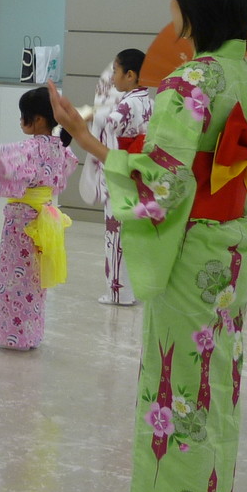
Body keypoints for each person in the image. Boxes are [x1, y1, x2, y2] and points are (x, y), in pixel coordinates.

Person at [49, 0, 247, 492]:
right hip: (229, 248)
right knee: (216, 384)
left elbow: (163, 185)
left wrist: (88, 139)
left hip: (191, 246)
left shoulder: (194, 82)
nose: (171, 10)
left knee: (180, 389)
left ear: (193, 6)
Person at [0, 87, 78, 350]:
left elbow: (14, 158)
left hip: (22, 221)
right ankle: (31, 334)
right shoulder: (58, 148)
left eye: (24, 116)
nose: (21, 122)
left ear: (38, 120)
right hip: (45, 217)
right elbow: (67, 165)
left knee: (14, 279)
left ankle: (14, 336)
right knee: (35, 280)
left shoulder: (32, 147)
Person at [92, 48, 153, 306]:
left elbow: (109, 124)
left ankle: (118, 292)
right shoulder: (150, 101)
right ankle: (136, 289)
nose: (114, 77)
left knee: (116, 235)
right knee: (136, 235)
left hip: (121, 174)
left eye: (116, 71)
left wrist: (97, 114)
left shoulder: (128, 103)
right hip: (141, 174)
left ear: (130, 75)